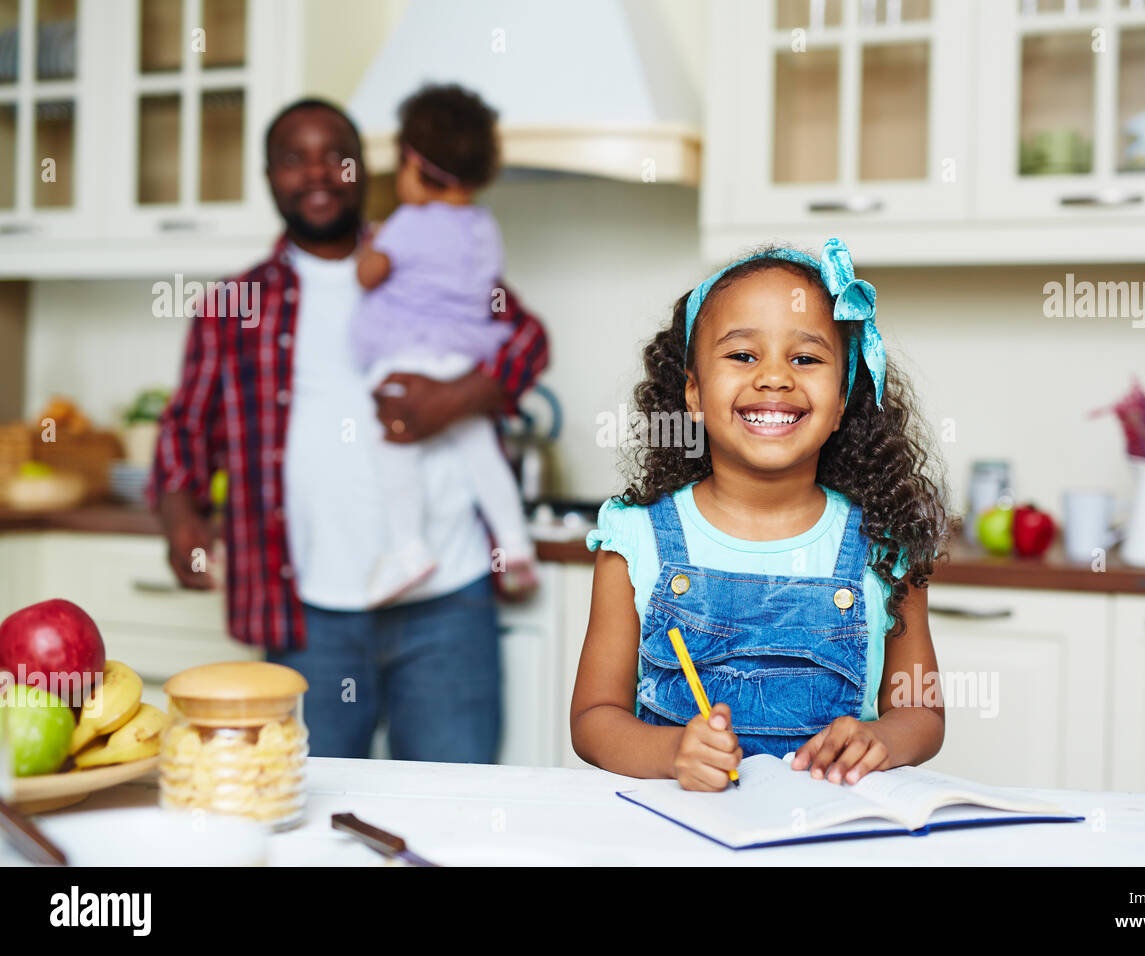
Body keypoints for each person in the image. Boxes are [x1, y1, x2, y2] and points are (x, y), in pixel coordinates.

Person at [148, 98, 549, 762]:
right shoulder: (233, 305)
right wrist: (178, 516)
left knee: (455, 821)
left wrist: (455, 398)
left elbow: (526, 339)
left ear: (366, 169)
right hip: (308, 612)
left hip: (447, 601)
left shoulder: (421, 254)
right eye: (293, 159)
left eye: (336, 156)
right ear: (268, 176)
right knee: (309, 817)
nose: (317, 175)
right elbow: (187, 424)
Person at [570, 239, 949, 791]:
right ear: (693, 394)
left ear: (842, 398)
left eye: (807, 358)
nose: (775, 377)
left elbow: (923, 710)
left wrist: (885, 738)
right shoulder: (634, 539)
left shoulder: (884, 545)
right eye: (743, 355)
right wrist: (673, 752)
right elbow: (592, 720)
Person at [352, 83, 536, 607]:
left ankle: (408, 549)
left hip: (405, 355)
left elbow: (369, 275)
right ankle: (516, 543)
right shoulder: (483, 227)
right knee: (481, 453)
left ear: (412, 162)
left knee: (394, 445)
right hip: (461, 360)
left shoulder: (408, 224)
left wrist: (370, 245)